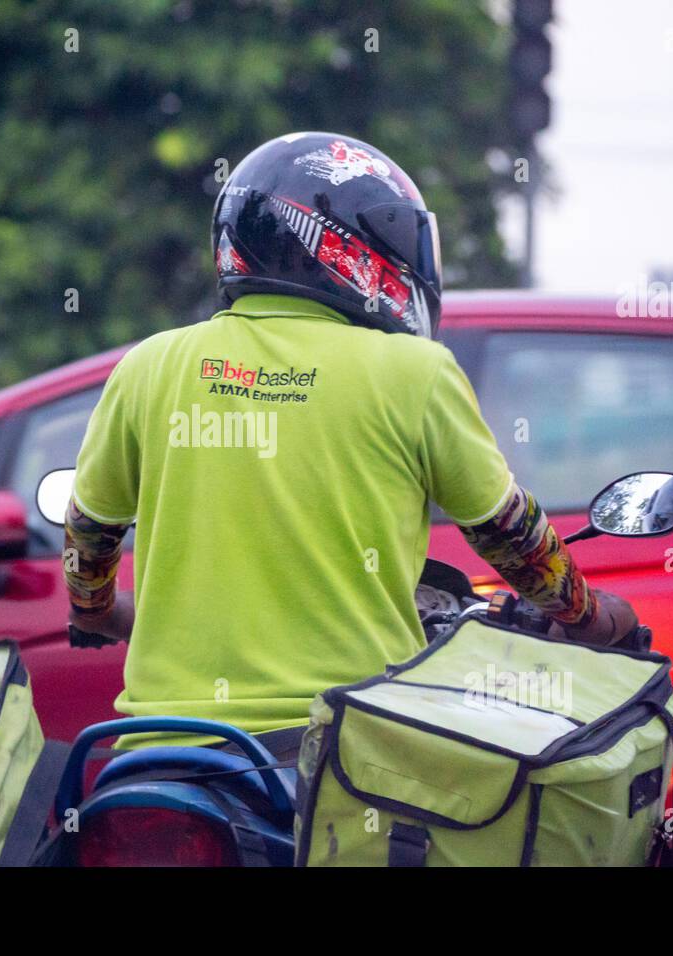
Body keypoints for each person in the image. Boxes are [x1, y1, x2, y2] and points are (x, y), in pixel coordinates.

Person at [63, 132, 637, 754]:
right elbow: (507, 533)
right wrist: (589, 617)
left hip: (157, 753)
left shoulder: (151, 365)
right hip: (342, 752)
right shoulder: (415, 372)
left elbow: (89, 529)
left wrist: (96, 612)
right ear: (345, 245)